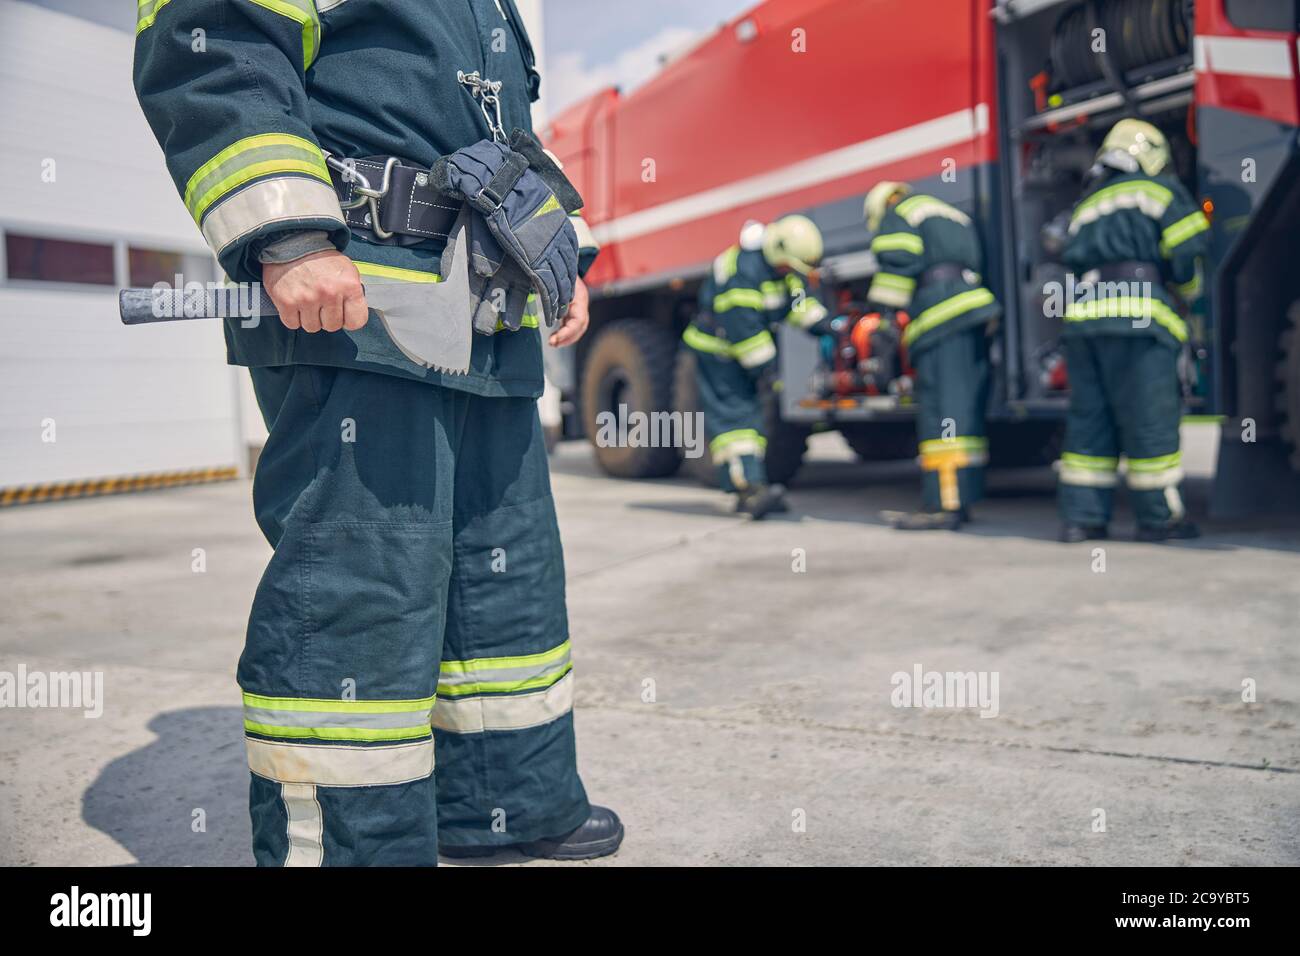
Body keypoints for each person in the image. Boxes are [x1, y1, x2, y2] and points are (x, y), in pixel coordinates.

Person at [134, 0, 620, 865]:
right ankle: (353, 850)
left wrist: (558, 255)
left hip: (489, 317)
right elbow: (214, 44)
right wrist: (287, 236)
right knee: (364, 587)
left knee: (505, 580)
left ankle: (506, 801)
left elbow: (504, 132)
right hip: (361, 306)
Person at [1056, 119, 1209, 543]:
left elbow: (1069, 259)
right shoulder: (1160, 191)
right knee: (1149, 417)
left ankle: (1081, 520)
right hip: (1141, 320)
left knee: (1090, 420)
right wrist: (1190, 295)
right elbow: (1187, 254)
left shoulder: (1086, 203)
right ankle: (1158, 519)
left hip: (1084, 323)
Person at [863, 182, 1000, 531]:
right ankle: (962, 496)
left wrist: (885, 325)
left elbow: (896, 267)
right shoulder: (949, 212)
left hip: (940, 319)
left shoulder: (900, 214)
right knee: (964, 411)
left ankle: (944, 504)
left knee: (943, 412)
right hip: (974, 312)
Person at [683, 215, 828, 518]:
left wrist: (825, 325)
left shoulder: (779, 268)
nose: (792, 272)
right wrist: (767, 371)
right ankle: (748, 490)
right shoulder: (743, 269)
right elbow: (743, 328)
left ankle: (752, 486)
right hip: (719, 353)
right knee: (735, 420)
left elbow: (796, 303)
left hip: (741, 354)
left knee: (751, 420)